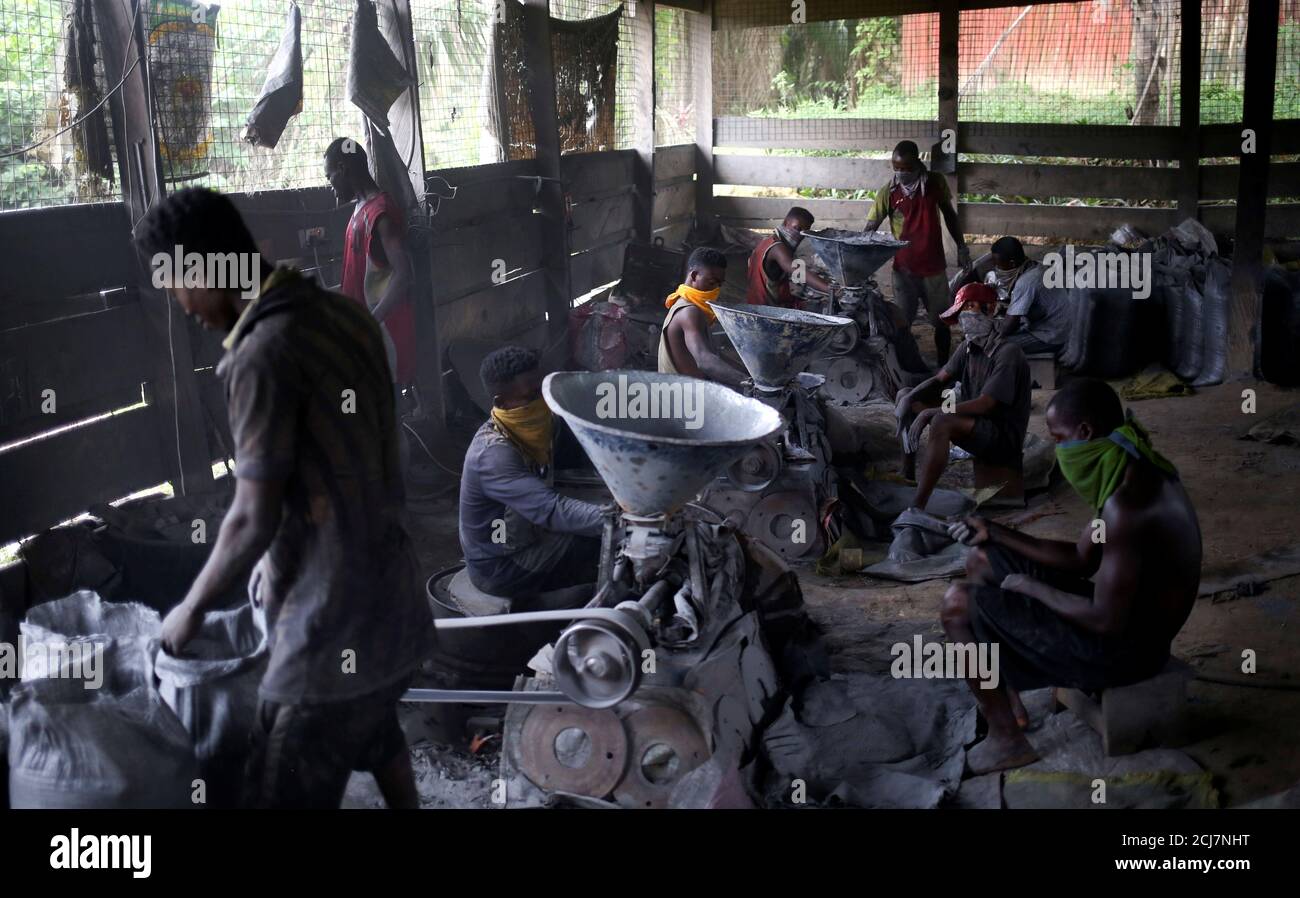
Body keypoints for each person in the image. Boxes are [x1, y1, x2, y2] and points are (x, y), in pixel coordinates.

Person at [141, 187, 432, 809]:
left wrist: (188, 611)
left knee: (277, 782)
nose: (182, 307)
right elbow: (343, 466)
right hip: (395, 604)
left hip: (325, 631)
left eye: (176, 285)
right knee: (371, 722)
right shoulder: (348, 317)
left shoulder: (260, 356)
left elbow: (251, 516)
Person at [941, 379, 1200, 775]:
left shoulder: (1127, 507)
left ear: (1084, 433)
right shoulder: (1130, 468)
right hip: (1126, 620)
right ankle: (1007, 696)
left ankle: (1007, 742)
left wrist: (1031, 587)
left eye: (1058, 439)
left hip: (1129, 652)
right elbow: (1082, 560)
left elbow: (1105, 621)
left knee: (958, 604)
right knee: (983, 558)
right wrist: (995, 532)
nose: (1059, 450)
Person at [459, 345, 605, 603]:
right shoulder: (492, 455)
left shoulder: (537, 426)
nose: (543, 401)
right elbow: (550, 510)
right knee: (609, 548)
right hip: (500, 565)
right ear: (501, 403)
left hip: (527, 534)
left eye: (544, 390)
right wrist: (622, 519)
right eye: (531, 395)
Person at [896, 283, 1031, 510]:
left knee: (941, 420)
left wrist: (933, 411)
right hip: (976, 422)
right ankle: (907, 475)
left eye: (971, 307)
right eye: (962, 310)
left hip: (1002, 435)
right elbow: (940, 379)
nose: (965, 316)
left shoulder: (1007, 353)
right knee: (907, 393)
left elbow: (986, 405)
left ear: (990, 309)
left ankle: (917, 507)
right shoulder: (968, 347)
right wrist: (909, 399)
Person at [864, 140, 971, 366]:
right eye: (897, 169)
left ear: (918, 163)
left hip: (933, 267)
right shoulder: (888, 193)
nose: (901, 173)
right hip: (903, 269)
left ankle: (944, 366)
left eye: (906, 168)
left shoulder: (934, 183)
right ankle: (906, 367)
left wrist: (962, 247)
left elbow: (950, 215)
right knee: (901, 322)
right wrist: (861, 257)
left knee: (942, 320)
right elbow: (870, 227)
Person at [324, 136, 416, 387]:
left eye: (329, 176)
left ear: (343, 169)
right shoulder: (360, 209)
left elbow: (403, 275)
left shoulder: (381, 212)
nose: (330, 186)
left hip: (384, 333)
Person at [658, 247, 748, 387]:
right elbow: (704, 360)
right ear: (694, 276)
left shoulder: (683, 302)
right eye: (712, 283)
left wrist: (748, 374)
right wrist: (748, 383)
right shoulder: (689, 312)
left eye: (719, 284)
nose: (715, 290)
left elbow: (713, 353)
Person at [983, 236, 1070, 357]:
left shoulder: (1026, 282)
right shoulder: (1036, 267)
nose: (997, 269)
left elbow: (1009, 325)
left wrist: (986, 335)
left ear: (1012, 263)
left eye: (999, 265)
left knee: (995, 346)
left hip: (1052, 336)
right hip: (1059, 328)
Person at [747, 206, 840, 308]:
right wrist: (830, 289)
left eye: (803, 232)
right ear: (786, 222)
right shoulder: (777, 248)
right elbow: (799, 272)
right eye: (797, 228)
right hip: (767, 309)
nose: (799, 235)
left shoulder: (767, 241)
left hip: (757, 303)